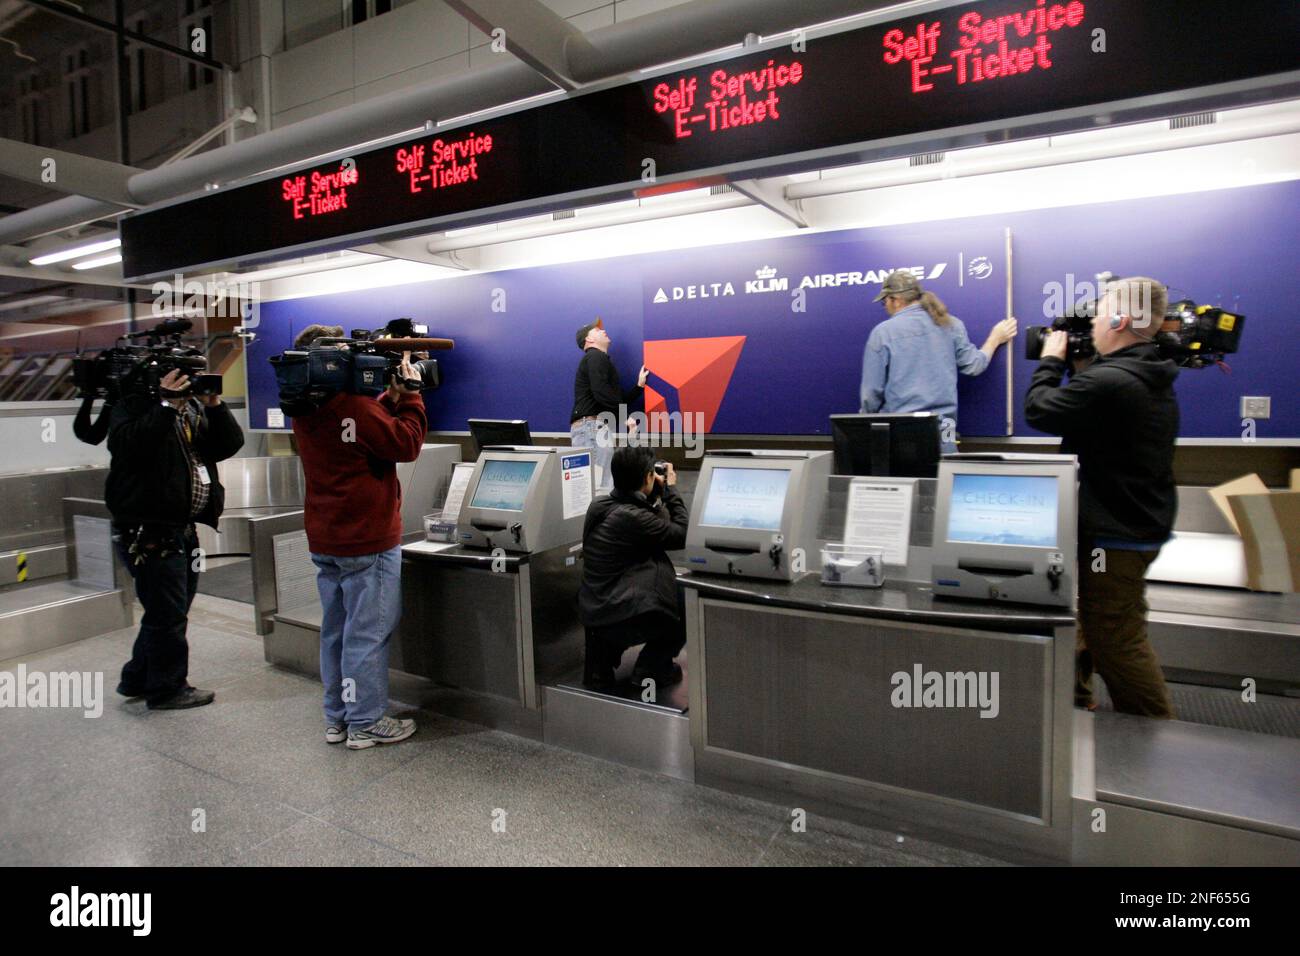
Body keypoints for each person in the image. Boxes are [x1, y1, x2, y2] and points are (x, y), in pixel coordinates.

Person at [1024, 276, 1178, 719]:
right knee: (1099, 616)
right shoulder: (1144, 371)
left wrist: (1051, 362)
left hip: (1116, 534)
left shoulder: (1112, 381)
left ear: (1120, 318)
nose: (1092, 319)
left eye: (1100, 309)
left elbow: (1039, 409)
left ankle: (1156, 730)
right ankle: (1076, 698)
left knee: (1116, 638)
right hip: (1135, 522)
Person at [290, 324, 428, 749]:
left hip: (328, 539)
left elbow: (362, 428)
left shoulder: (305, 406)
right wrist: (414, 397)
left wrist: (390, 398)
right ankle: (367, 720)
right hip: (367, 539)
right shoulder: (353, 406)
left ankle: (340, 717)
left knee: (337, 630)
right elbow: (404, 443)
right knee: (368, 633)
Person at [105, 366, 244, 709]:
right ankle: (167, 689)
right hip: (148, 531)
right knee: (167, 612)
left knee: (168, 609)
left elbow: (227, 444)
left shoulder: (194, 410)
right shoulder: (132, 405)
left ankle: (137, 677)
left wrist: (213, 404)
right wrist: (166, 406)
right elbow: (129, 446)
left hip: (183, 527)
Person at [860, 270, 1018, 453]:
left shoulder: (883, 333)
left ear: (896, 299)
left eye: (884, 301)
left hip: (900, 432)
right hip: (945, 429)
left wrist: (863, 430)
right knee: (944, 476)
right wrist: (995, 338)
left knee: (906, 480)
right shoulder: (951, 324)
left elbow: (870, 396)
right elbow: (975, 365)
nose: (885, 306)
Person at [579, 445, 688, 690]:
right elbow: (681, 534)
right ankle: (651, 668)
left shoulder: (599, 505)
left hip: (594, 609)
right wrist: (670, 490)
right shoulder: (632, 518)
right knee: (685, 598)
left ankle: (602, 660)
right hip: (619, 614)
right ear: (648, 477)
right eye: (653, 474)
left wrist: (652, 493)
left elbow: (645, 520)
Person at [571, 318, 647, 493]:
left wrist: (638, 387)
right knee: (601, 489)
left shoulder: (598, 360)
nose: (603, 331)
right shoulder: (595, 356)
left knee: (599, 488)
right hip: (591, 428)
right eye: (597, 330)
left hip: (591, 428)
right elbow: (601, 393)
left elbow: (613, 397)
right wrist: (624, 417)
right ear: (589, 340)